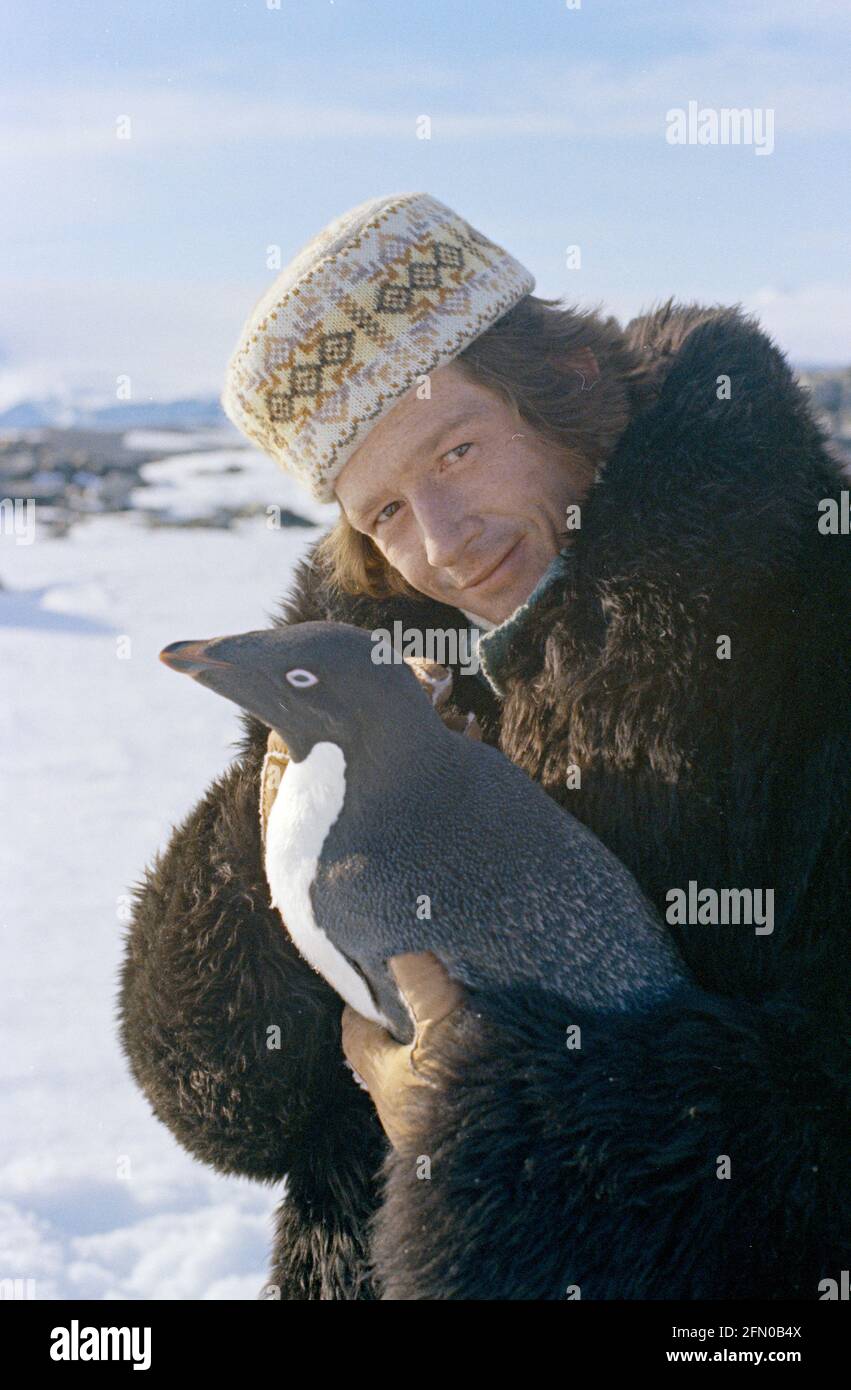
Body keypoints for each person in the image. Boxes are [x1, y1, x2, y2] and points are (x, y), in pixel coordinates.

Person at [118, 192, 849, 1300]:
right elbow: (233, 1107)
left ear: (566, 384)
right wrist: (268, 843)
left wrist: (495, 1130)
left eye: (455, 450)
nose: (443, 544)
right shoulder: (377, 680)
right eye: (386, 515)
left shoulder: (815, 619)